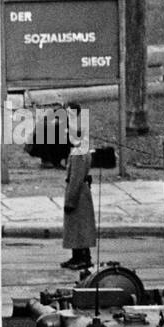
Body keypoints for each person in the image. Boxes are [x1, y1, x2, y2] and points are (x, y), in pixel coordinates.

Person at [61, 106, 95, 272]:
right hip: (79, 192)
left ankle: (82, 258)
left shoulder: (80, 152)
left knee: (80, 228)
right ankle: (77, 257)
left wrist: (70, 200)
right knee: (76, 228)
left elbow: (76, 178)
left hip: (78, 195)